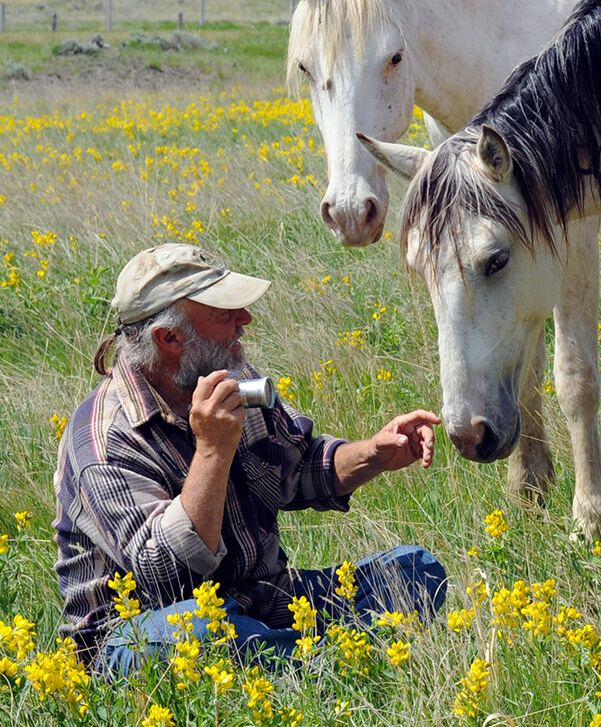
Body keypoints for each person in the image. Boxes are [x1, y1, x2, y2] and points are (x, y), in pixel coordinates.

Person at [54, 242, 447, 674]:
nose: (245, 320)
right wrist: (213, 450)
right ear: (169, 339)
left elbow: (298, 465)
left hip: (261, 598)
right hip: (143, 635)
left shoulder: (231, 379)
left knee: (417, 569)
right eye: (224, 313)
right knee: (202, 632)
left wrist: (375, 452)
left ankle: (298, 658)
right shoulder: (107, 439)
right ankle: (329, 663)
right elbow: (168, 580)